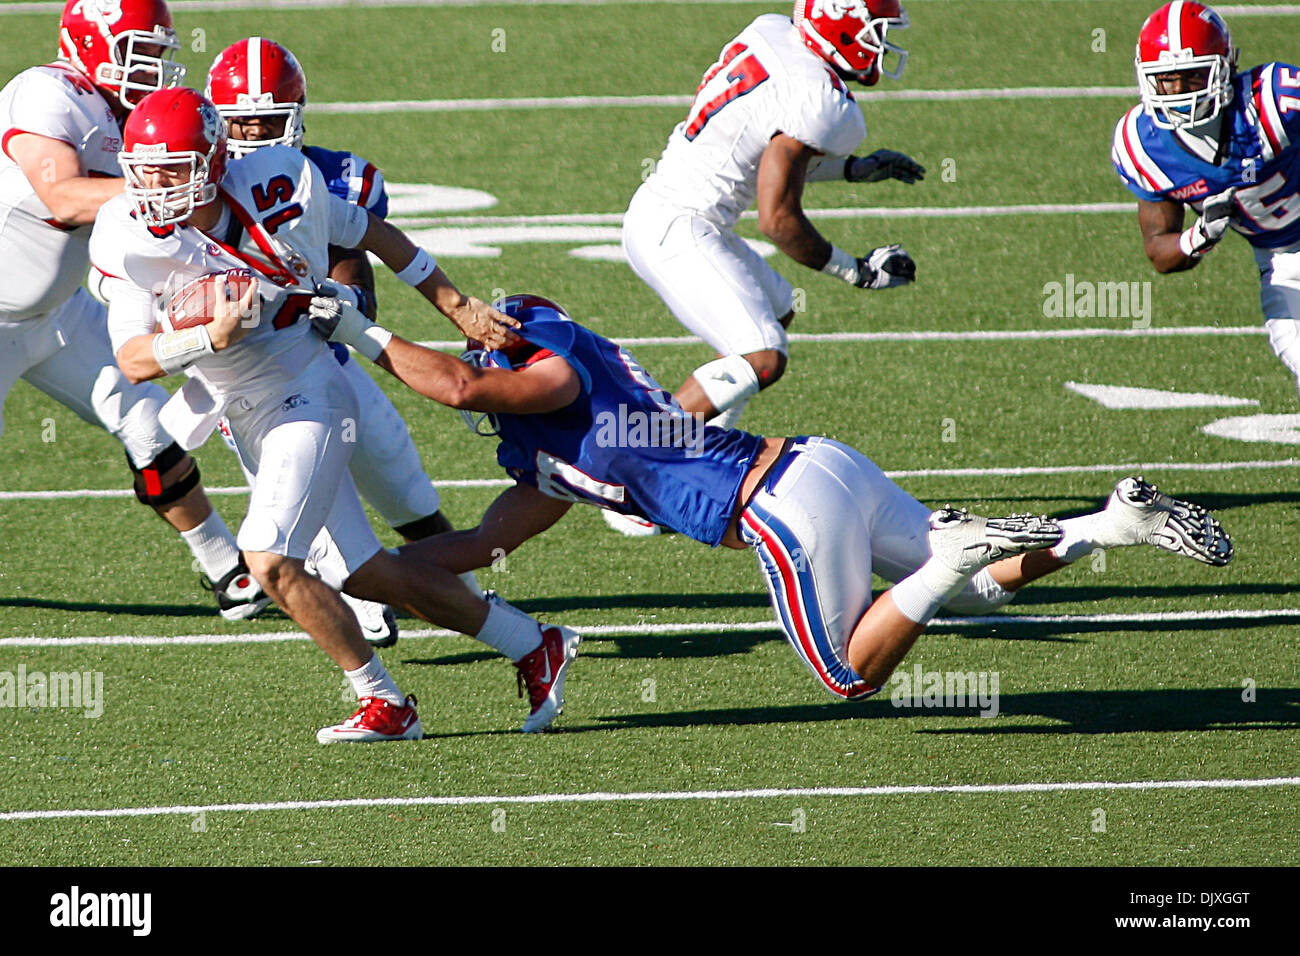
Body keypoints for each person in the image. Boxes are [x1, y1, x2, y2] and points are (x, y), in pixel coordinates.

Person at [309, 292, 1234, 701]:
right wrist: (370, 575)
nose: (486, 363)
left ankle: (955, 546)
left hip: (782, 512)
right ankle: (1115, 520)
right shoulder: (561, 461)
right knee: (987, 588)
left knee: (848, 675)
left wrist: (361, 328)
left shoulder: (559, 377)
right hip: (824, 465)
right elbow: (476, 543)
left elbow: (466, 389)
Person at [89, 89, 579, 739]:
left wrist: (455, 303)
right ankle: (534, 643)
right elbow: (133, 359)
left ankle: (384, 702)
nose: (153, 185)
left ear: (211, 162)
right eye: (143, 169)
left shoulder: (276, 185)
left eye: (171, 168)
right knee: (366, 572)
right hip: (242, 412)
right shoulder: (125, 233)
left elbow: (366, 229)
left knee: (267, 559)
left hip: (309, 394)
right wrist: (208, 338)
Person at [203, 36, 478, 647]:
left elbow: (357, 266)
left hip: (327, 363)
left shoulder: (332, 176)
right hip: (253, 385)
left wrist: (343, 302)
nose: (254, 139)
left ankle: (466, 601)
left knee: (408, 493)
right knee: (311, 516)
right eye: (240, 124)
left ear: (297, 119)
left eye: (269, 123)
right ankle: (357, 598)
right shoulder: (203, 186)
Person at [612, 0, 922, 536]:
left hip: (672, 211)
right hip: (679, 226)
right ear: (841, 26)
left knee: (775, 313)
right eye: (875, 32)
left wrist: (852, 169)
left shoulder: (774, 33)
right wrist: (857, 271)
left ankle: (696, 457)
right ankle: (629, 474)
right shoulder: (820, 102)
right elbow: (777, 218)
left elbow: (765, 144)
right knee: (762, 355)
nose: (881, 45)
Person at [0, 0, 268, 620]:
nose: (152, 66)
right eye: (138, 51)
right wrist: (169, 181)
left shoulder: (137, 112)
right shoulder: (47, 94)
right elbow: (63, 197)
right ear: (88, 43)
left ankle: (227, 569)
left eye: (157, 52)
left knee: (151, 422)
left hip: (58, 311)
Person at [1112, 1, 1300, 396]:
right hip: (1283, 262)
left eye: (1194, 76)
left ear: (1225, 67)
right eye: (1167, 79)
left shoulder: (1275, 99)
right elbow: (1158, 250)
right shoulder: (1143, 146)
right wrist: (1198, 237)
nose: (1179, 91)